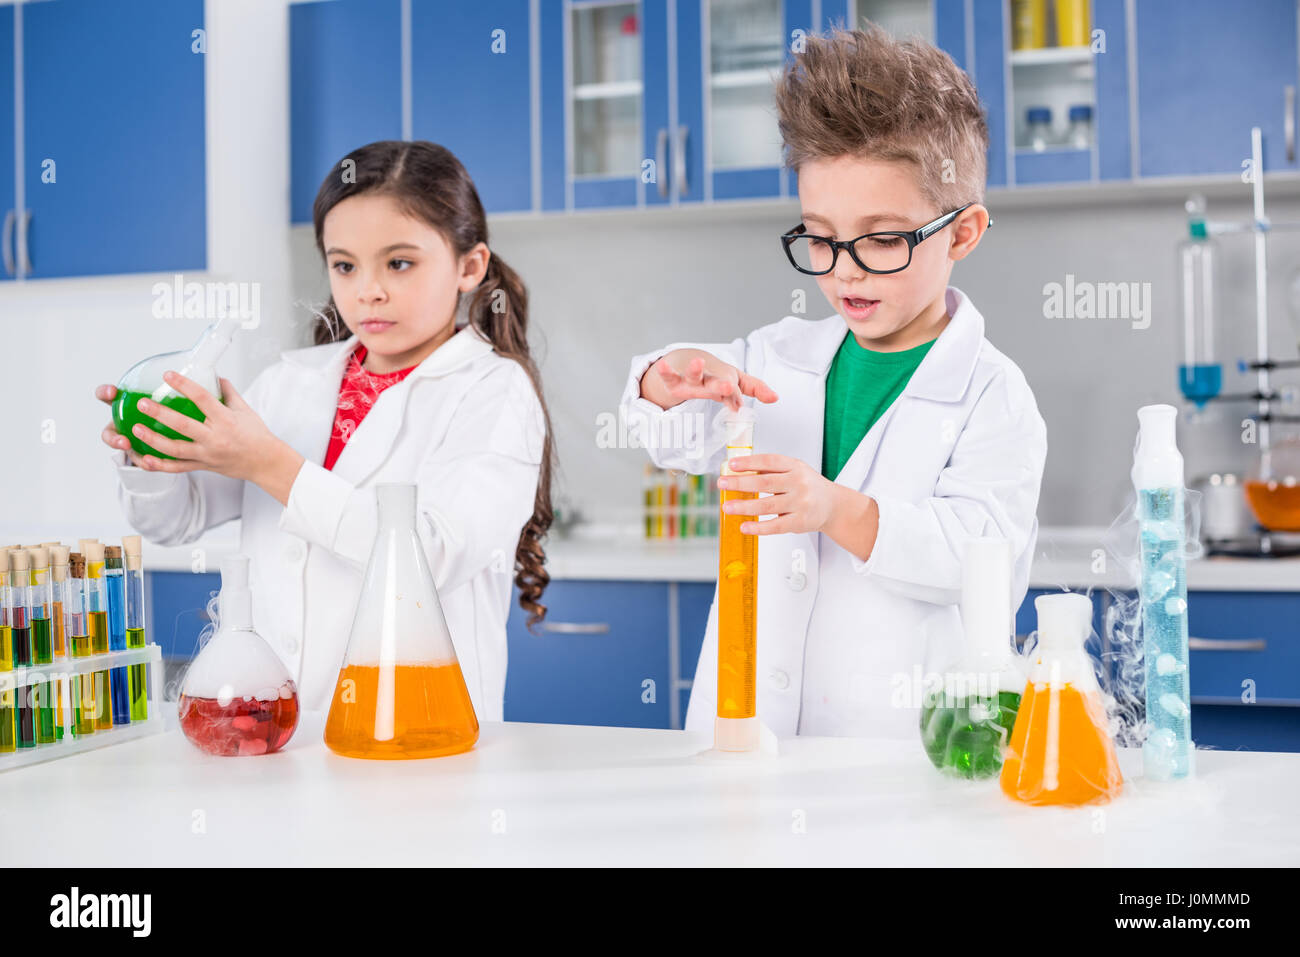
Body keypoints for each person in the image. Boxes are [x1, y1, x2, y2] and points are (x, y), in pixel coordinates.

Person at [619, 27, 1047, 738]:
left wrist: (836, 509)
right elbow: (670, 433)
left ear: (963, 233)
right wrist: (670, 380)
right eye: (820, 237)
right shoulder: (780, 355)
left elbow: (984, 565)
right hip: (748, 735)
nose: (843, 270)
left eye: (882, 239)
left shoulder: (992, 395)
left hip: (899, 756)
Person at [97, 140, 554, 718]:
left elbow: (430, 558)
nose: (368, 290)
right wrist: (150, 454)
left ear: (470, 267)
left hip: (413, 733)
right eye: (344, 265)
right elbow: (174, 520)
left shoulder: (493, 391)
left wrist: (267, 462)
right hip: (276, 727)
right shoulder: (290, 383)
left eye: (399, 262)